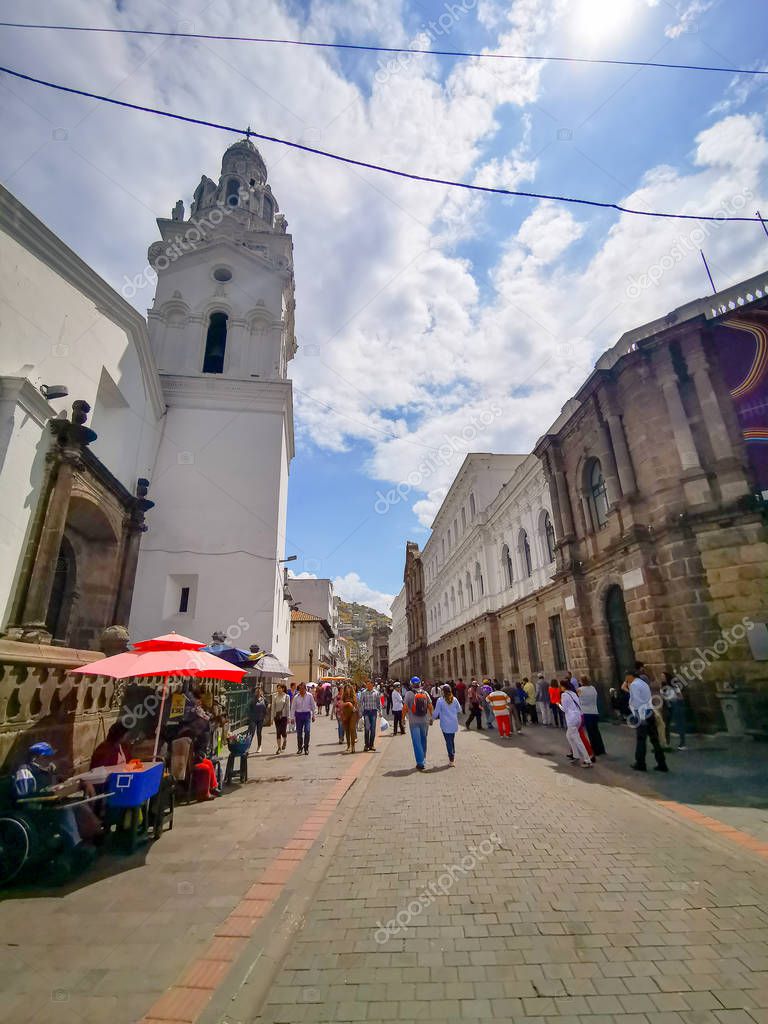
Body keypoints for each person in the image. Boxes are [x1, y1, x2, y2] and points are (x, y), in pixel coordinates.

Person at [12, 741, 97, 854]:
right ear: (40, 757)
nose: (51, 759)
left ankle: (92, 835)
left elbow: (56, 781)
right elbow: (24, 797)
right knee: (64, 810)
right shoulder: (24, 772)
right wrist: (47, 794)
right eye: (48, 757)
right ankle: (75, 846)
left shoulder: (45, 770)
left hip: (48, 802)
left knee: (78, 804)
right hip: (34, 809)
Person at [623, 671, 668, 772]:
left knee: (641, 740)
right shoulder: (644, 685)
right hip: (649, 713)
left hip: (642, 715)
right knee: (655, 740)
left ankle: (640, 763)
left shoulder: (635, 685)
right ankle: (662, 763)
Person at [559, 681, 592, 768]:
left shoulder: (564, 695)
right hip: (578, 717)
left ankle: (587, 760)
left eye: (561, 686)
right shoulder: (573, 693)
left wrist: (558, 705)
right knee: (569, 736)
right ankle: (576, 755)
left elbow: (565, 709)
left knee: (577, 740)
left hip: (572, 719)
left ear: (563, 687)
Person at [404, 677, 433, 770]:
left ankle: (420, 763)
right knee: (423, 740)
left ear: (411, 684)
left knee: (417, 742)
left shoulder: (408, 694)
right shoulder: (425, 693)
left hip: (414, 722)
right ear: (420, 684)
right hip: (424, 721)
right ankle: (423, 758)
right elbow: (430, 706)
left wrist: (402, 718)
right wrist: (431, 717)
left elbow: (405, 707)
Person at [432, 684, 461, 765]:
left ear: (443, 692)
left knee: (448, 741)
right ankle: (453, 754)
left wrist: (432, 719)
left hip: (445, 724)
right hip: (453, 723)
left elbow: (436, 712)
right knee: (451, 740)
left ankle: (451, 758)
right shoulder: (454, 699)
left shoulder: (440, 700)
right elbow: (459, 709)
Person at [578, 677, 605, 757]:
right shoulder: (593, 688)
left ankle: (594, 749)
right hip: (594, 711)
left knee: (590, 732)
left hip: (586, 712)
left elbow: (579, 699)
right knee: (596, 731)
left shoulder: (580, 689)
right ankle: (601, 749)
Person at [662, 671, 687, 750]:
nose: (661, 678)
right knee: (666, 724)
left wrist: (675, 701)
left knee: (679, 723)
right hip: (668, 705)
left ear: (667, 677)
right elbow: (664, 697)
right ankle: (667, 743)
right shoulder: (663, 687)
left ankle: (682, 743)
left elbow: (680, 696)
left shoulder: (674, 685)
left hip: (675, 704)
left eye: (663, 676)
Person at [291, 682, 317, 755]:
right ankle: (299, 748)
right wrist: (292, 718)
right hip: (298, 716)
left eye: (303, 688)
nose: (302, 690)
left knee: (307, 731)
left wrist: (314, 715)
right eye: (300, 689)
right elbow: (293, 708)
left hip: (306, 715)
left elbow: (313, 706)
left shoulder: (310, 696)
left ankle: (306, 748)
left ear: (306, 689)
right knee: (299, 733)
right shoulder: (296, 697)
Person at [359, 679, 381, 752]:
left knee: (373, 729)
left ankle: (372, 745)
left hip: (374, 712)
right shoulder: (363, 693)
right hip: (366, 713)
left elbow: (378, 703)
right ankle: (366, 745)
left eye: (369, 684)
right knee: (367, 729)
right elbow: (361, 703)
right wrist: (360, 713)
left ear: (372, 685)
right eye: (367, 684)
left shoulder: (376, 693)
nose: (368, 686)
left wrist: (380, 712)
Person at [340, 683, 359, 753]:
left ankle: (353, 746)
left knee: (352, 728)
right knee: (347, 730)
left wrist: (353, 707)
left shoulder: (354, 696)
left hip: (353, 714)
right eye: (346, 688)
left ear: (351, 689)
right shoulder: (343, 696)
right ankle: (348, 746)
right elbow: (341, 704)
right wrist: (348, 704)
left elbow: (356, 704)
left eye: (349, 688)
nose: (347, 690)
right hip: (345, 714)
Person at [247, 688, 267, 753]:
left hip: (260, 719)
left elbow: (267, 705)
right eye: (257, 691)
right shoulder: (252, 699)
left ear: (261, 692)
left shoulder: (263, 699)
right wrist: (249, 717)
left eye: (259, 691)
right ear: (255, 692)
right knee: (251, 733)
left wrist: (265, 714)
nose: (258, 692)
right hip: (253, 719)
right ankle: (248, 747)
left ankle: (259, 746)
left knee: (259, 733)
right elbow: (248, 708)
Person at [273, 683, 290, 754]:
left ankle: (285, 740)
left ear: (283, 689)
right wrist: (273, 716)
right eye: (277, 688)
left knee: (283, 731)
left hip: (284, 717)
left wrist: (288, 717)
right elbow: (273, 707)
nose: (278, 689)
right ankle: (279, 748)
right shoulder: (275, 696)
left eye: (280, 688)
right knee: (278, 732)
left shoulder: (287, 696)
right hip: (277, 717)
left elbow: (288, 707)